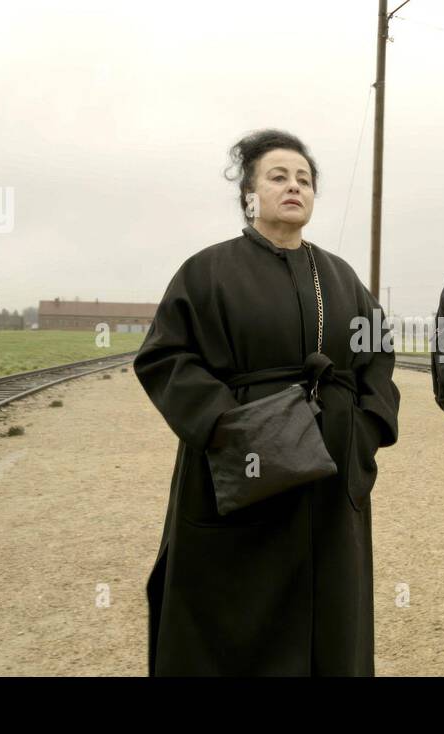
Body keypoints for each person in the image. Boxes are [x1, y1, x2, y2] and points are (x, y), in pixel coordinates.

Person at [134, 129, 400, 676]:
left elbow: (377, 353)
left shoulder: (340, 275)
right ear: (250, 195)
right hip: (242, 469)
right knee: (236, 619)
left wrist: (367, 427)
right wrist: (231, 428)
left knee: (329, 620)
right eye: (278, 177)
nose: (294, 187)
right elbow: (164, 358)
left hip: (330, 481)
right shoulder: (207, 271)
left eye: (304, 179)